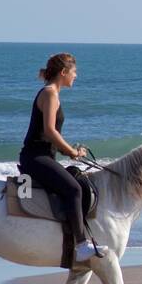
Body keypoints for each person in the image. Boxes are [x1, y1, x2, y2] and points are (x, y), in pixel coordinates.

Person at [18, 52, 104, 263]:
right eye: (74, 72)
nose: (76, 76)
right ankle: (81, 246)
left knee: (76, 183)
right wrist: (71, 152)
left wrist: (71, 151)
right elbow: (49, 130)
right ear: (64, 72)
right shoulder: (50, 94)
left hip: (44, 156)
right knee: (73, 189)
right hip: (35, 157)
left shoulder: (52, 93)